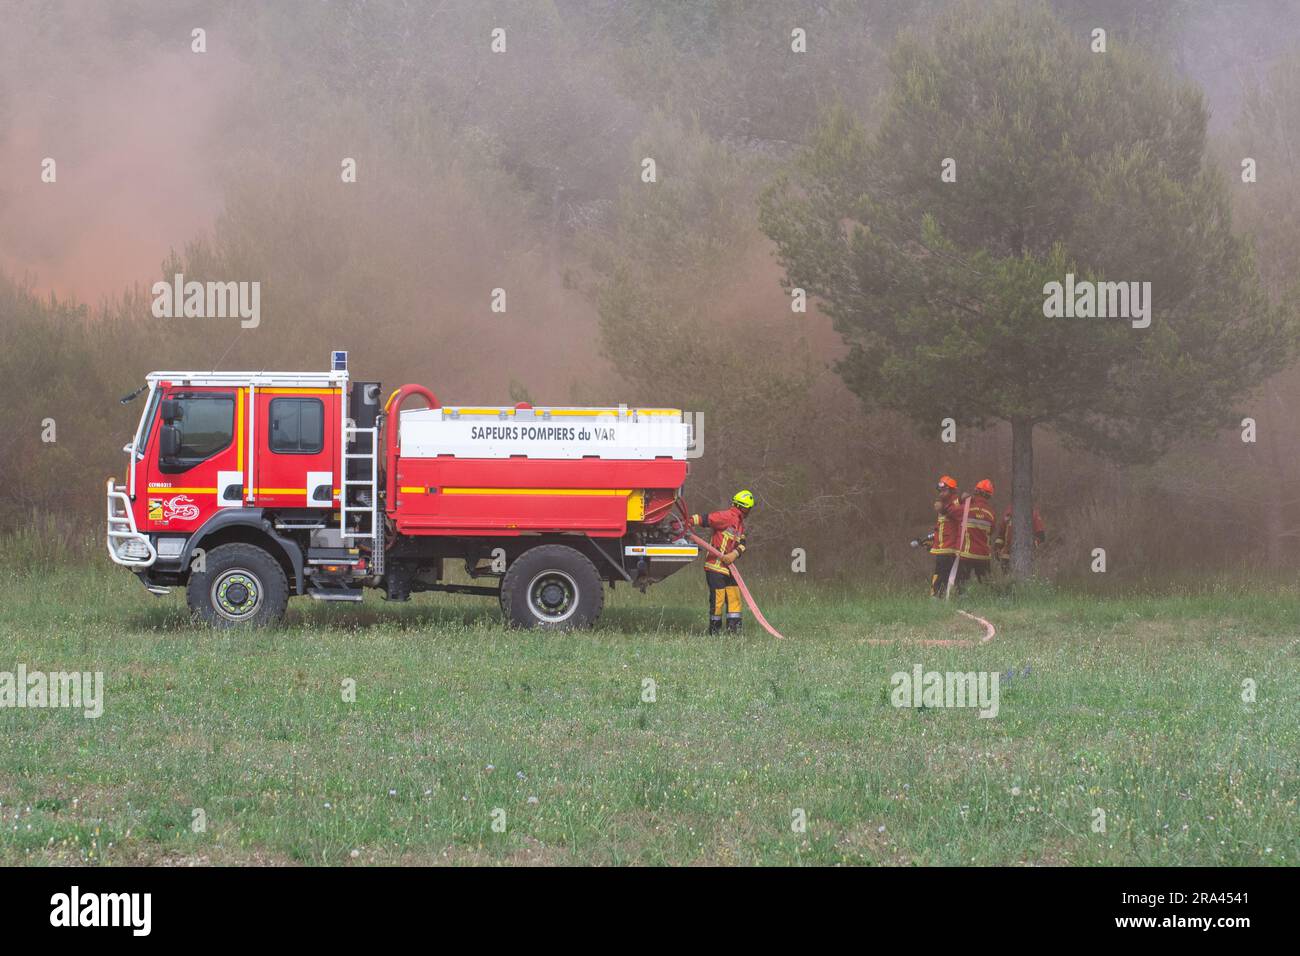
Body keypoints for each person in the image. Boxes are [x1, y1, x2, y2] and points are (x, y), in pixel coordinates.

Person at [691, 489, 753, 634]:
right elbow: (705, 519)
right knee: (718, 602)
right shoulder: (726, 516)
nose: (749, 511)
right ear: (742, 507)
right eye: (748, 508)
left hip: (729, 568)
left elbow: (743, 543)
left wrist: (735, 554)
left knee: (734, 597)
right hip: (715, 567)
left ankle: (734, 632)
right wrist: (686, 522)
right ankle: (715, 633)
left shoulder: (739, 523)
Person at [956, 478, 997, 588]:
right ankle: (988, 602)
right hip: (984, 555)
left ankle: (960, 601)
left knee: (961, 584)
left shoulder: (967, 506)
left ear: (976, 491)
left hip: (966, 553)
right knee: (986, 585)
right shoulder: (991, 512)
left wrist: (960, 500)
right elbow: (991, 531)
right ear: (989, 495)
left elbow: (952, 513)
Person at [929, 475, 963, 596]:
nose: (940, 494)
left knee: (944, 575)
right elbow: (941, 527)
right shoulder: (942, 503)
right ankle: (936, 596)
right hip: (941, 548)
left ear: (952, 490)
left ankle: (939, 597)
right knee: (938, 574)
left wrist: (945, 508)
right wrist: (932, 541)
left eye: (944, 490)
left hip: (950, 549)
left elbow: (959, 516)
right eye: (939, 491)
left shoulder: (955, 502)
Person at [994, 504, 1046, 570]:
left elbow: (1041, 536)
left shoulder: (1032, 513)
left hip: (1024, 559)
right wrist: (997, 548)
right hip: (1006, 558)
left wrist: (1029, 548)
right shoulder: (1008, 513)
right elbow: (1001, 535)